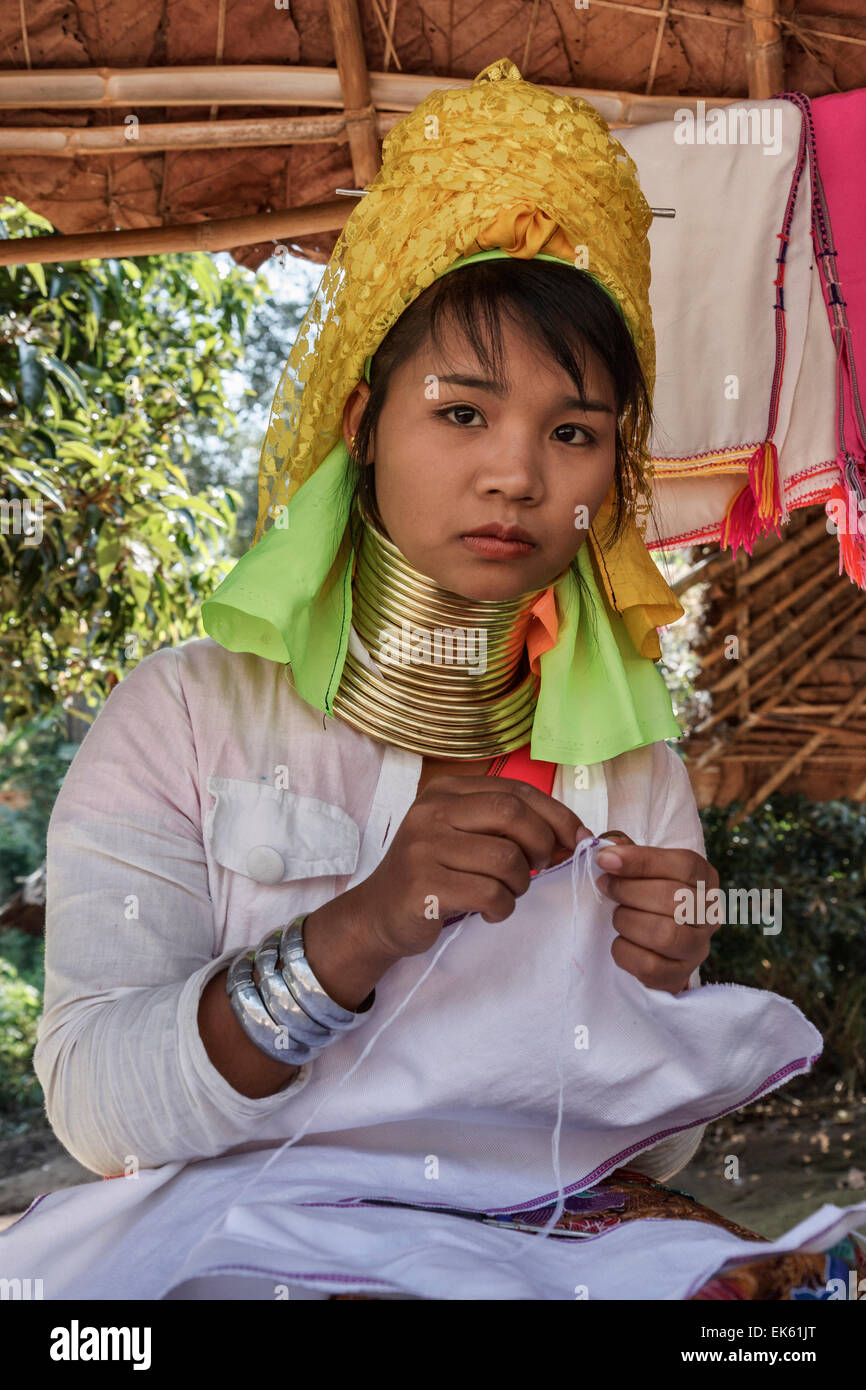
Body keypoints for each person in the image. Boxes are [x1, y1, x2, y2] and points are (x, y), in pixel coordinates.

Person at [2, 58, 864, 1302]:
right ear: (363, 424)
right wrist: (355, 932)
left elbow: (635, 1156)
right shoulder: (187, 715)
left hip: (541, 1241)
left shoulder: (628, 764)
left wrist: (659, 985)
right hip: (243, 1241)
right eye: (462, 413)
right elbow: (97, 1110)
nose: (516, 473)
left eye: (571, 433)